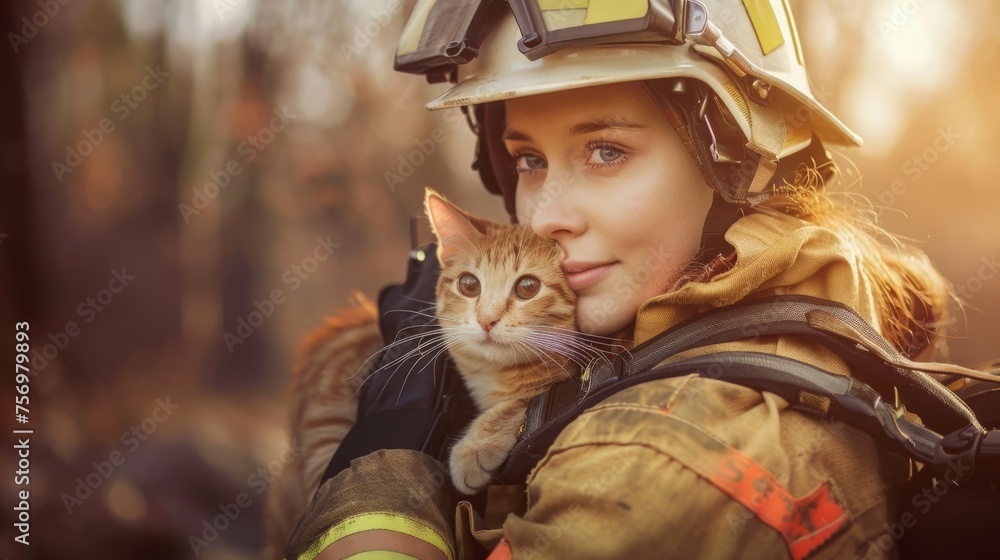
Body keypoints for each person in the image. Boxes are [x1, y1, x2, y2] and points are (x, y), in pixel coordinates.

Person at [283, 1, 951, 558]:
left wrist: (383, 467)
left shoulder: (657, 458)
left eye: (606, 151)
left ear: (738, 166)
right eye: (528, 160)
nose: (546, 218)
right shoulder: (790, 316)